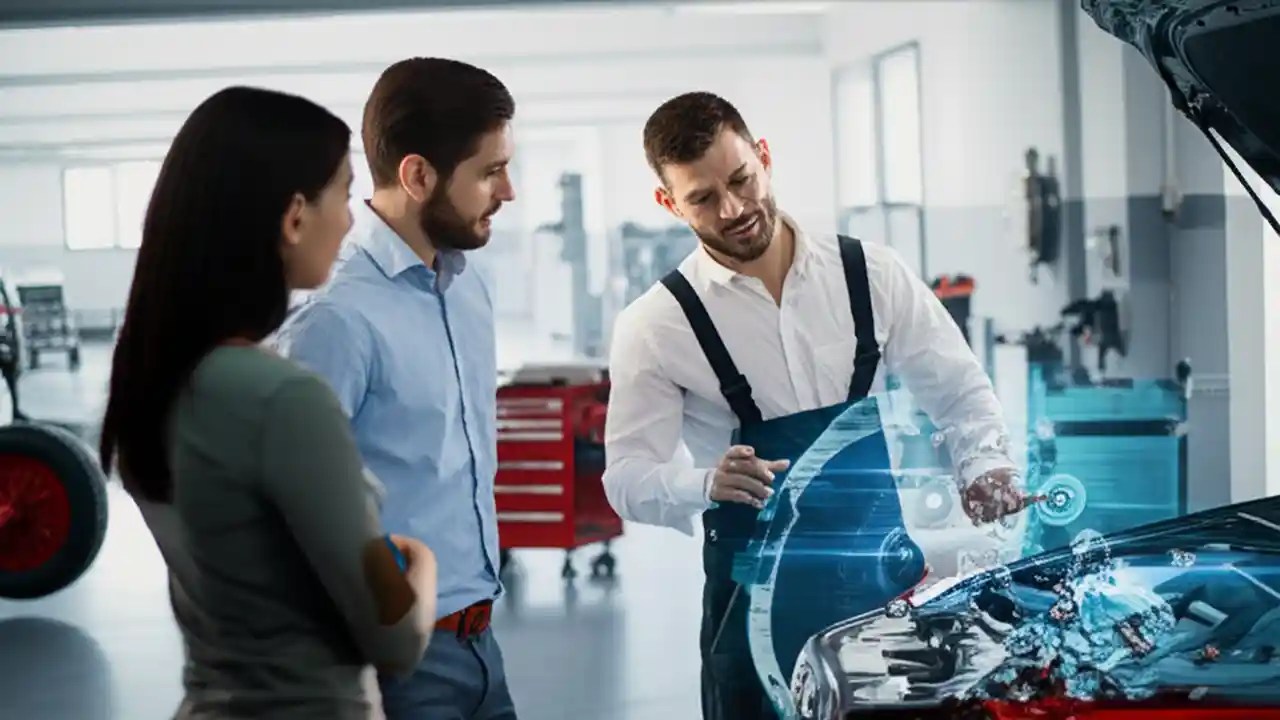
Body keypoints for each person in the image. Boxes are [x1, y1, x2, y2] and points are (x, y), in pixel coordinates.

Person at [602, 91, 1038, 719]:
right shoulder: (655, 324)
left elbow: (960, 390)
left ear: (764, 157)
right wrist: (705, 482)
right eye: (701, 198)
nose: (733, 209)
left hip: (877, 586)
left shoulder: (870, 274)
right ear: (668, 203)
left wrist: (983, 464)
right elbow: (627, 478)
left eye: (741, 179)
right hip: (750, 604)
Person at [98, 86, 438, 720]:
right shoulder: (283, 399)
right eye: (342, 193)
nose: (348, 220)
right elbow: (395, 637)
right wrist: (421, 567)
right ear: (294, 216)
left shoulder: (159, 382)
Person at [271, 57, 518, 720]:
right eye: (491, 171)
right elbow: (285, 513)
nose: (509, 190)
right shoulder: (336, 317)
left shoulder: (472, 287)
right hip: (394, 668)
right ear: (418, 175)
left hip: (482, 644)